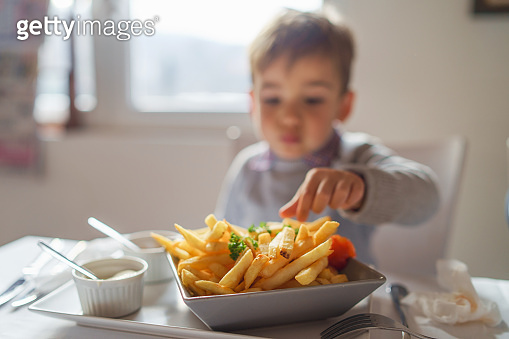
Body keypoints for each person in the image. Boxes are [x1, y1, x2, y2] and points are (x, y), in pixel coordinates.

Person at [214, 9, 439, 265]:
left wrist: (360, 187)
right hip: (257, 304)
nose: (289, 117)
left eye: (312, 99)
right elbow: (222, 244)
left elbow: (427, 197)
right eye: (273, 99)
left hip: (348, 304)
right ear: (253, 103)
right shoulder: (246, 169)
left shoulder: (356, 156)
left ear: (343, 106)